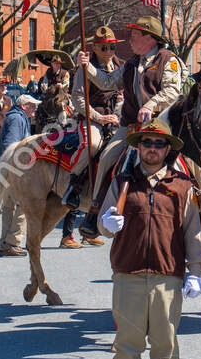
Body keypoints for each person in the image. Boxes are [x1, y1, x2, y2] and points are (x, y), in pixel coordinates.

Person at [97, 121, 201, 359]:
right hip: (128, 273)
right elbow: (106, 225)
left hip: (166, 275)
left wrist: (196, 270)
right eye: (147, 142)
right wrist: (106, 224)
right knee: (127, 343)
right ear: (138, 146)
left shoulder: (182, 186)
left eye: (159, 144)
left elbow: (193, 232)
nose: (153, 149)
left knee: (165, 342)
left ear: (167, 149)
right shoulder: (122, 182)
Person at [77, 17, 186, 231]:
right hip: (130, 127)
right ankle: (95, 209)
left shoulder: (168, 60)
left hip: (161, 126)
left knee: (191, 159)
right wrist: (86, 66)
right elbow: (107, 82)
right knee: (108, 156)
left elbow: (172, 91)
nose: (130, 40)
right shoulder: (131, 64)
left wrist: (151, 105)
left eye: (135, 35)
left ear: (150, 38)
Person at [0, 95, 34, 256]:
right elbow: (11, 145)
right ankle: (12, 242)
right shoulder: (18, 119)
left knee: (9, 207)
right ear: (24, 106)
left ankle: (5, 243)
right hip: (14, 169)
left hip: (8, 168)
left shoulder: (16, 117)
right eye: (32, 105)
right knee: (23, 205)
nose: (35, 108)